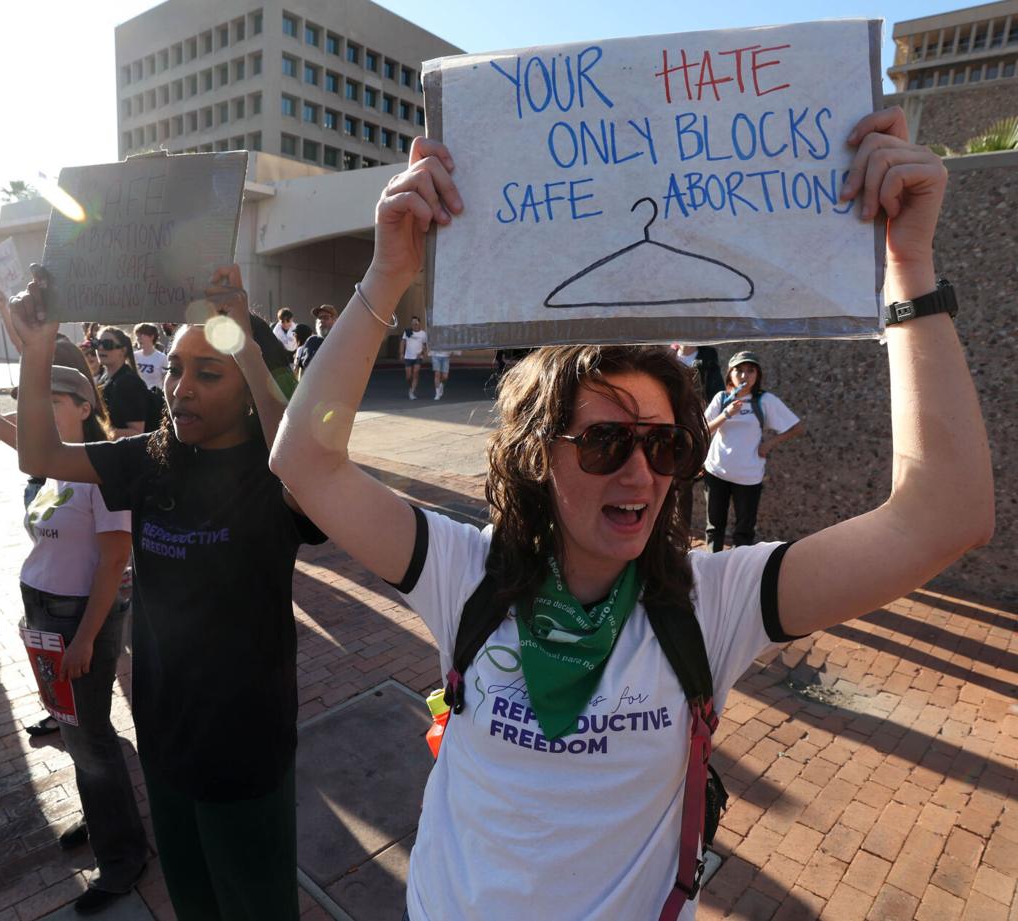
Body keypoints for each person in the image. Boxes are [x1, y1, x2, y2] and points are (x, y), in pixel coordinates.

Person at [269, 111, 992, 920]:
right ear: (540, 455)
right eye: (606, 441)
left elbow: (943, 516)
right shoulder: (465, 572)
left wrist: (910, 269)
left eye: (665, 443)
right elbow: (305, 463)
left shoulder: (713, 603)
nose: (642, 472)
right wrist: (387, 274)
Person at [10, 265, 323, 920]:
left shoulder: (276, 478)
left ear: (248, 390)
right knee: (194, 900)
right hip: (163, 732)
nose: (180, 388)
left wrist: (251, 349)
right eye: (176, 370)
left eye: (209, 373)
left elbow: (305, 460)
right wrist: (37, 352)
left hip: (246, 742)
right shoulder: (148, 459)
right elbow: (38, 454)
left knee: (256, 905)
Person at [0, 360, 148, 914]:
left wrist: (85, 639)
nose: (38, 413)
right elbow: (14, 435)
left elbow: (114, 562)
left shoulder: (104, 470)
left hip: (77, 620)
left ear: (84, 407)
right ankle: (102, 818)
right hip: (44, 615)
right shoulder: (53, 465)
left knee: (90, 737)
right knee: (74, 730)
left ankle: (124, 857)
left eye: (53, 402)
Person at [703, 351, 805, 553]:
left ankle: (740, 567)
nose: (744, 376)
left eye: (750, 371)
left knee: (744, 532)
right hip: (716, 471)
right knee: (714, 528)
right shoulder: (722, 398)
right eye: (739, 370)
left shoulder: (765, 400)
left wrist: (770, 443)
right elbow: (704, 430)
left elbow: (797, 427)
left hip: (748, 477)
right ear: (730, 373)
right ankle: (711, 566)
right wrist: (726, 414)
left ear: (757, 375)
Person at [94, 327, 147, 438]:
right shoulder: (104, 378)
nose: (100, 348)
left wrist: (99, 432)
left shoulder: (129, 383)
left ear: (123, 350)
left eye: (107, 344)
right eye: (97, 343)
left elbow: (137, 432)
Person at [294, 304, 337, 377]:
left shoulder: (341, 342)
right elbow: (302, 369)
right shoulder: (312, 341)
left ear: (335, 320)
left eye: (325, 317)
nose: (321, 321)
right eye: (319, 318)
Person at [399, 316, 428, 400]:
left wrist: (422, 353)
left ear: (419, 323)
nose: (414, 324)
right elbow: (403, 342)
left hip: (417, 357)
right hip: (408, 356)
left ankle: (412, 391)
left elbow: (425, 345)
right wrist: (401, 353)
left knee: (415, 373)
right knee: (408, 376)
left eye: (416, 322)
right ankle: (411, 387)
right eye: (412, 323)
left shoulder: (423, 334)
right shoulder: (407, 332)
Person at [133, 323, 168, 391]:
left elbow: (165, 380)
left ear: (152, 337)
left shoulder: (162, 358)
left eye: (141, 336)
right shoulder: (134, 356)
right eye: (137, 336)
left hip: (154, 394)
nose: (138, 339)